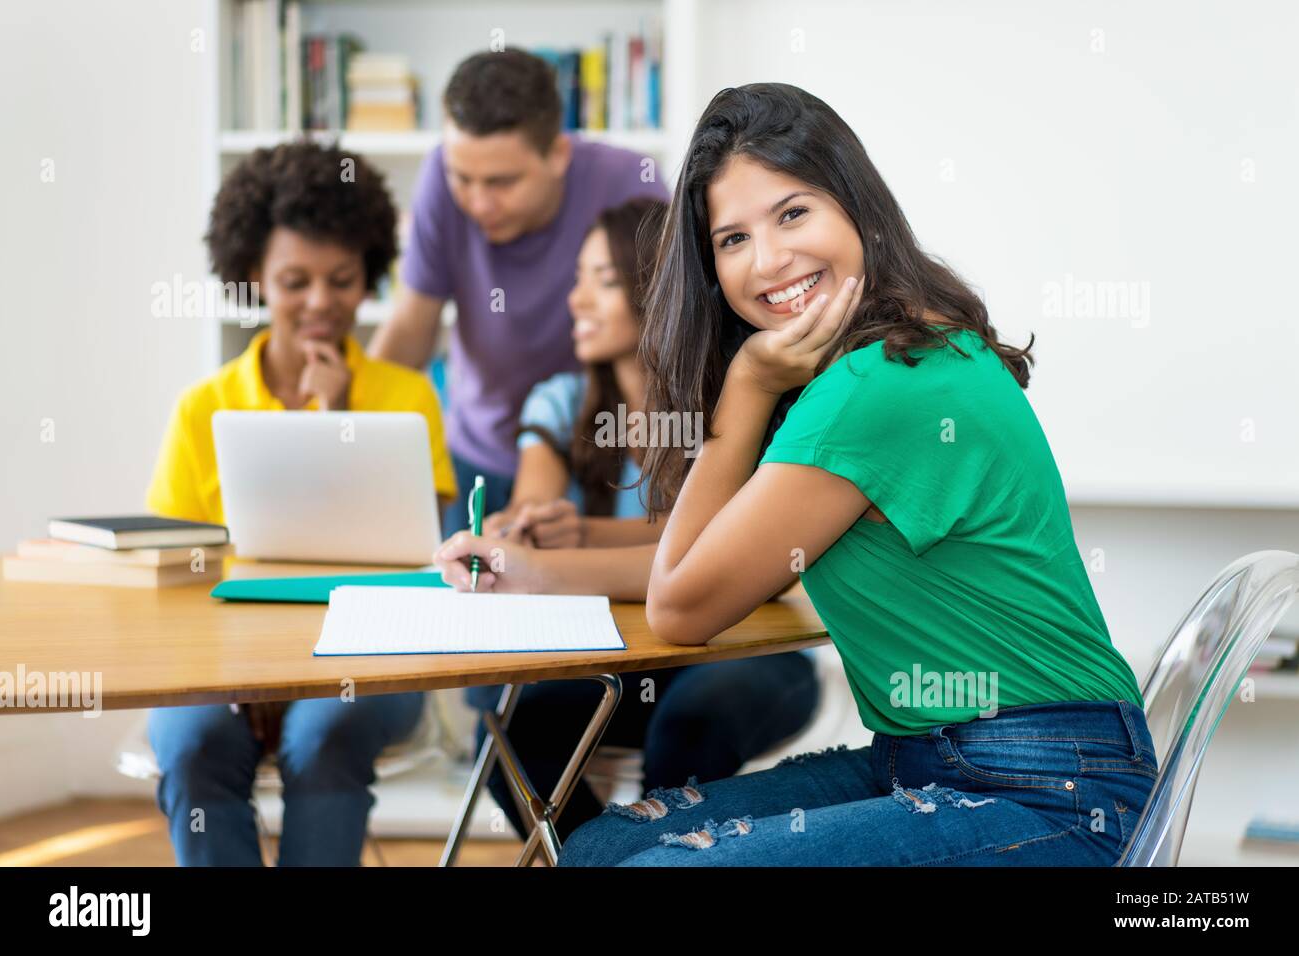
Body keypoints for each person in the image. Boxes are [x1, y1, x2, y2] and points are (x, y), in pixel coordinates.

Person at [439, 83, 1158, 866]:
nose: (769, 260)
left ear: (858, 208)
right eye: (733, 239)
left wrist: (747, 383)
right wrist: (536, 570)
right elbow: (716, 559)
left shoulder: (877, 383)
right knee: (603, 846)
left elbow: (681, 606)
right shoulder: (863, 364)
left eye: (792, 214)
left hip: (1048, 787)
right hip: (929, 757)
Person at [436, 198, 818, 842]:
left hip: (737, 649)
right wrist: (521, 528)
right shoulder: (562, 403)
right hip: (621, 663)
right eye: (579, 278)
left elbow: (709, 551)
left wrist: (558, 555)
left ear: (661, 294)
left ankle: (652, 856)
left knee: (692, 727)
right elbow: (535, 500)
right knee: (506, 737)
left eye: (603, 281)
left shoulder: (745, 396)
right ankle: (617, 859)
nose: (577, 300)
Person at [145, 140, 457, 866]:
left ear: (368, 276)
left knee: (325, 737)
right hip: (220, 665)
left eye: (341, 280)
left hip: (373, 662)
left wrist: (341, 418)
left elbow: (423, 563)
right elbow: (171, 575)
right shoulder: (204, 409)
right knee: (192, 746)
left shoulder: (405, 398)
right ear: (254, 276)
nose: (320, 302)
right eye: (294, 281)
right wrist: (249, 674)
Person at [369, 48, 669, 535]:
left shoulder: (626, 184)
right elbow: (411, 325)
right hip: (480, 448)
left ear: (557, 155)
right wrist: (354, 433)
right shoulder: (438, 183)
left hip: (602, 446)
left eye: (502, 182)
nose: (478, 202)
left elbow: (677, 316)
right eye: (462, 178)